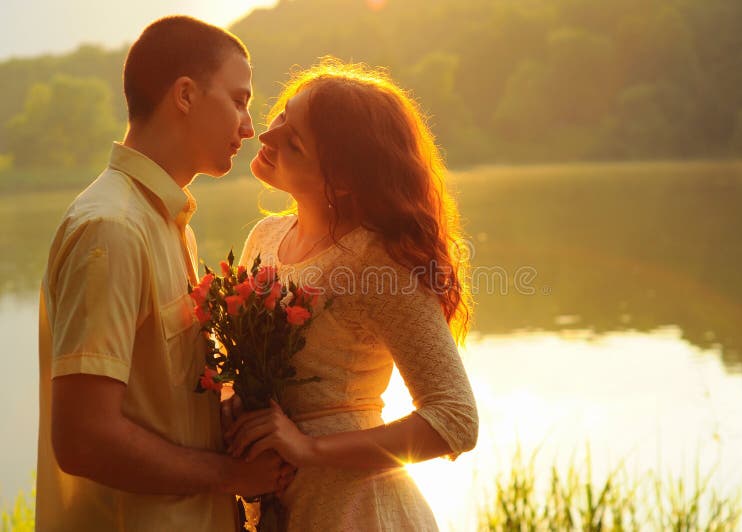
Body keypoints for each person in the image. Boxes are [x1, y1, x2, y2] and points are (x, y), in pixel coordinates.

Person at [37, 16, 290, 531]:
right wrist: (231, 474)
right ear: (185, 95)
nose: (248, 125)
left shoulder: (168, 223)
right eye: (239, 100)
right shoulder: (111, 230)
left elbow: (154, 402)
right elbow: (84, 439)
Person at [226, 58, 479, 530]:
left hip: (359, 512)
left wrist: (309, 449)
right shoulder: (264, 237)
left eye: (293, 141)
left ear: (341, 180)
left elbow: (455, 419)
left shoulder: (375, 262)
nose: (267, 136)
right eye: (281, 116)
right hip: (275, 507)